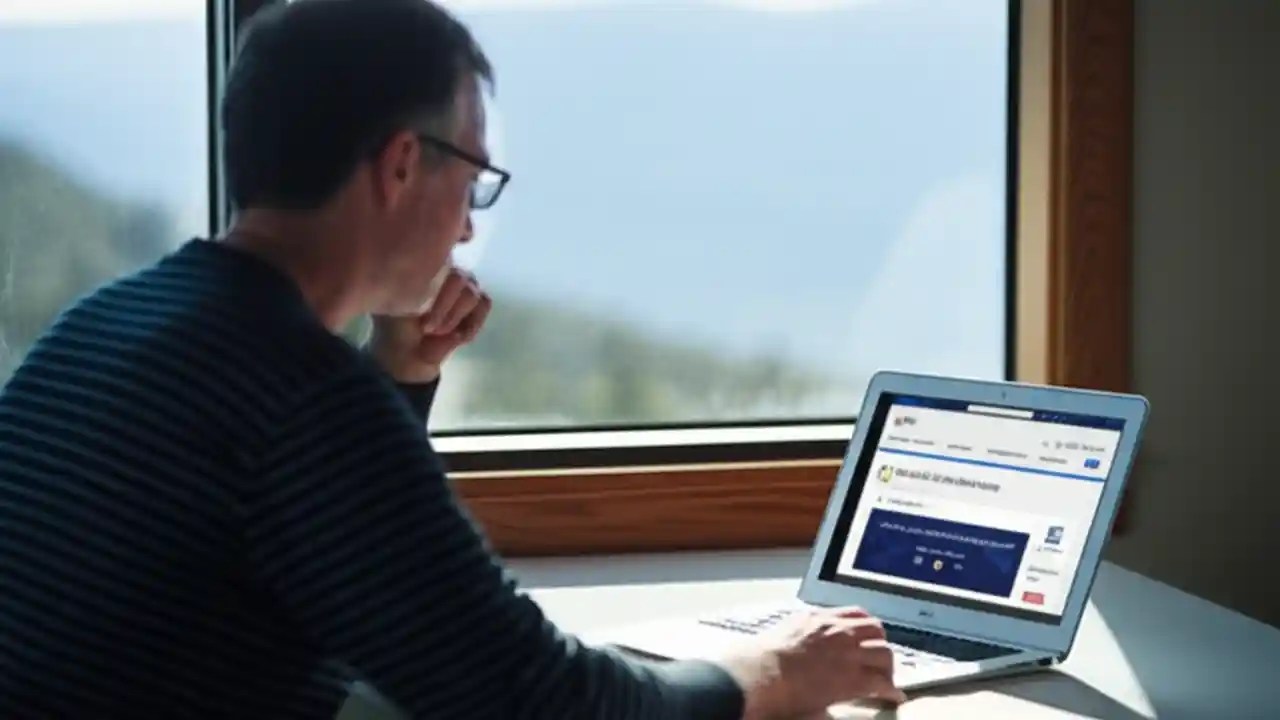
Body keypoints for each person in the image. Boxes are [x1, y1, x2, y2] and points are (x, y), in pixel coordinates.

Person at [0, 0, 905, 717]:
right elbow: (538, 702)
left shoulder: (106, 325)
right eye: (471, 181)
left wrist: (396, 374)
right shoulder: (302, 397)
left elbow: (311, 552)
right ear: (401, 165)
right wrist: (774, 671)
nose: (470, 224)